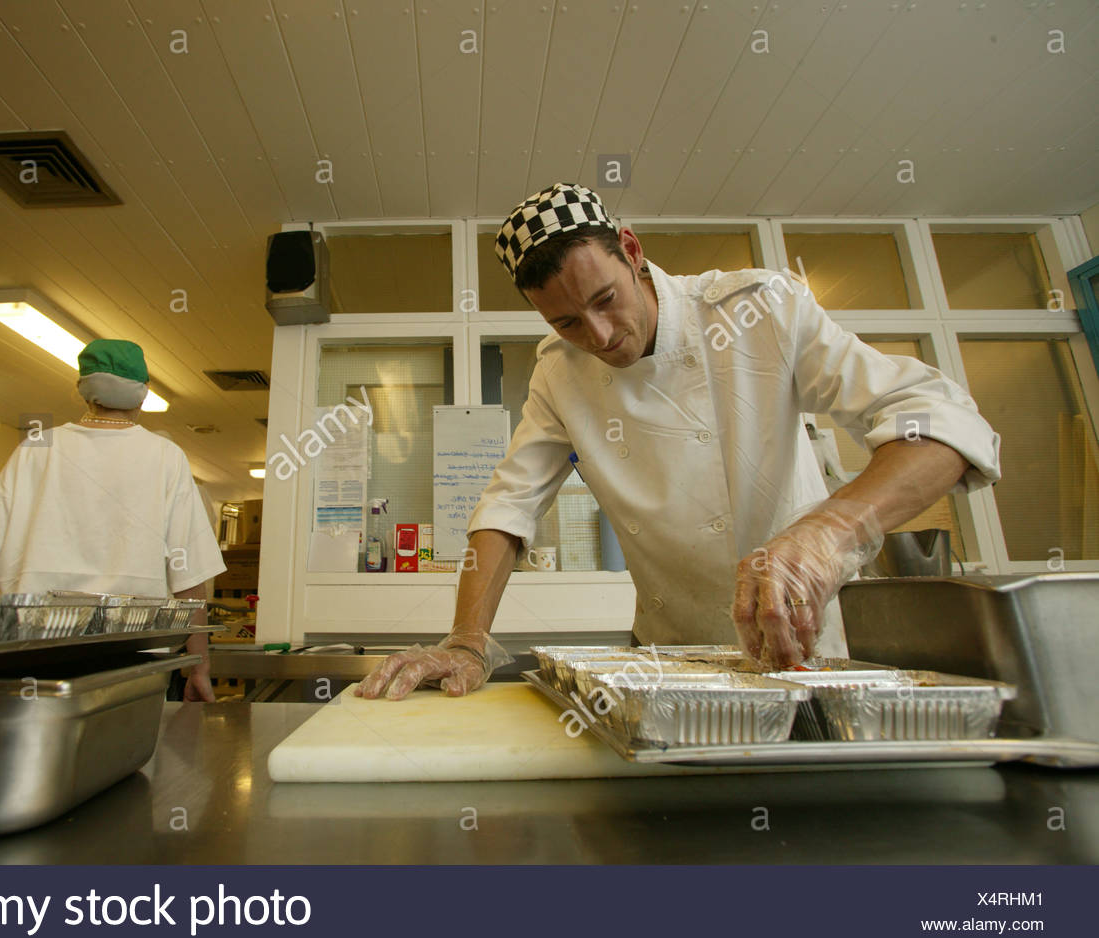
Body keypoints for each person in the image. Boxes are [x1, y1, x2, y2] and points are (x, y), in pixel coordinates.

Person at [358, 182, 1001, 700]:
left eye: (606, 299)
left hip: (806, 649)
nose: (601, 335)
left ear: (632, 249)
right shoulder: (559, 371)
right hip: (669, 664)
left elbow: (938, 419)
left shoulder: (759, 311)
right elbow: (507, 506)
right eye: (567, 321)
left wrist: (828, 532)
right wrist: (467, 640)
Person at [0, 339, 226, 701]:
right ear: (143, 397)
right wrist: (198, 664)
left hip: (38, 650)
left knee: (39, 753)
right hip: (132, 654)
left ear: (83, 392)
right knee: (129, 754)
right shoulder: (165, 456)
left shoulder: (36, 448)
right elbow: (189, 576)